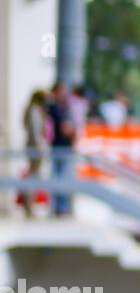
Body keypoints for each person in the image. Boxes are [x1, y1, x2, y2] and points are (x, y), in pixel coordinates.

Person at [46, 82, 76, 216]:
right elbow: (65, 129)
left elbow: (69, 128)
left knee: (63, 177)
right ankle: (59, 207)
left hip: (63, 147)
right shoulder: (54, 107)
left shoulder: (63, 107)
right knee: (59, 178)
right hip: (58, 147)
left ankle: (62, 206)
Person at [17, 89, 48, 217]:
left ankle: (29, 206)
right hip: (35, 146)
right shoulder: (34, 110)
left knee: (33, 175)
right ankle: (28, 206)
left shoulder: (32, 110)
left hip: (33, 145)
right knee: (33, 176)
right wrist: (40, 145)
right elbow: (35, 131)